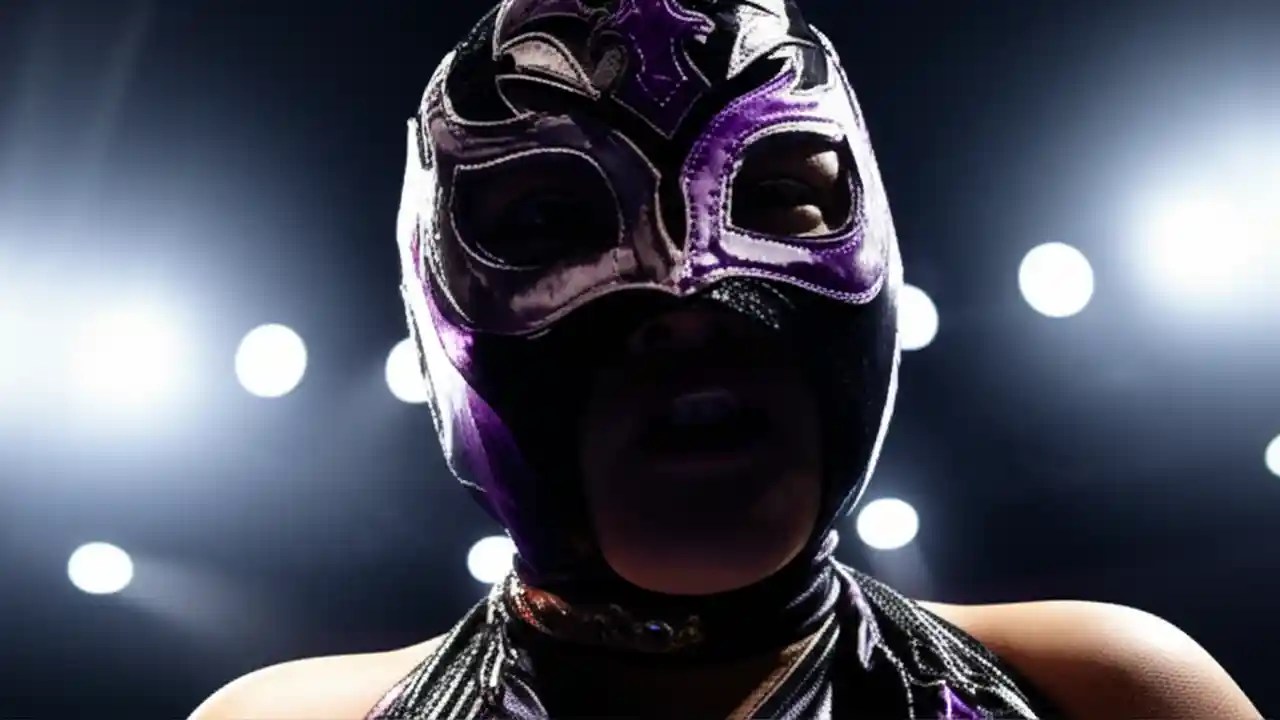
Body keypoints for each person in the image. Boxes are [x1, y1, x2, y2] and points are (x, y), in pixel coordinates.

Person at [191, 1, 1261, 718]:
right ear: (435, 296)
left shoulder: (1110, 693)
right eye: (549, 217)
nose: (686, 292)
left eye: (776, 193)